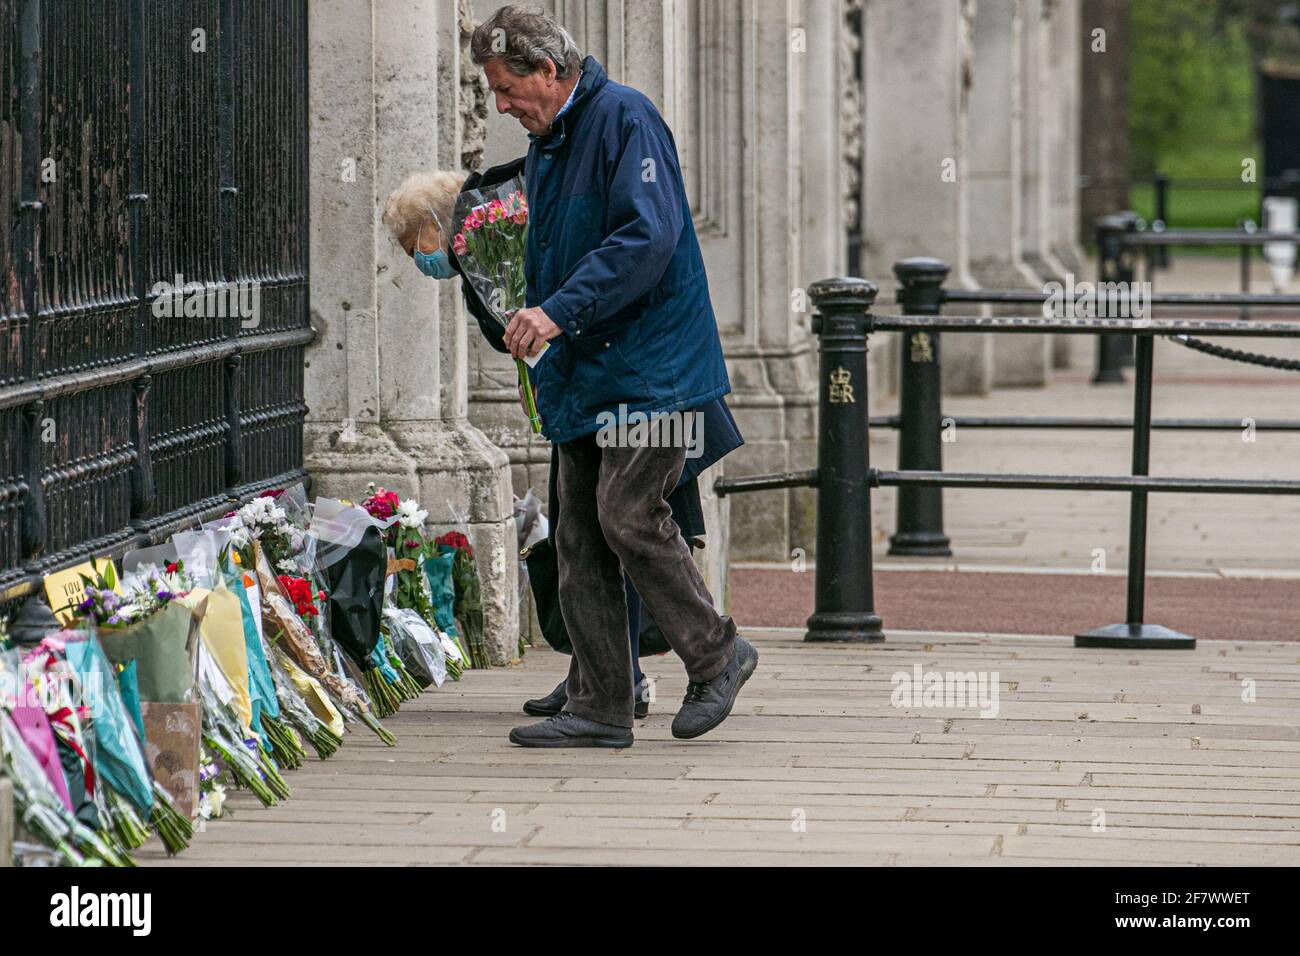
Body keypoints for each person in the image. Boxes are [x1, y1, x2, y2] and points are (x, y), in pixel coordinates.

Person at [470, 5, 757, 749]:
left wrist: (557, 312)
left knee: (627, 512)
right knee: (579, 533)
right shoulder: (547, 142)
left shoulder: (625, 115)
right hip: (588, 371)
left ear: (548, 70)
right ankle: (600, 703)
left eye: (508, 88)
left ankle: (719, 653)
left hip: (652, 369)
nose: (503, 106)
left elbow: (647, 236)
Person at [383, 159, 744, 721]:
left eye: (415, 247)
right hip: (584, 401)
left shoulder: (596, 150)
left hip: (639, 398)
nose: (419, 260)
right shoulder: (483, 257)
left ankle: (703, 657)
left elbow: (607, 274)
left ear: (436, 223)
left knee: (626, 523)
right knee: (586, 536)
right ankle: (599, 684)